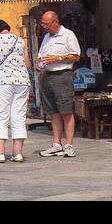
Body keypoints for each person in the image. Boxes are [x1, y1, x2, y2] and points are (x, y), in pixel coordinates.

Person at [0, 19, 33, 163]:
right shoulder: (20, 40)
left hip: (4, 81)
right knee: (19, 116)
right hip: (22, 81)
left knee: (0, 116)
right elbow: (27, 64)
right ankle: (17, 153)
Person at [35, 10, 81, 157]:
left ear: (55, 22)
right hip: (47, 75)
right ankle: (56, 144)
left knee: (66, 110)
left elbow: (76, 56)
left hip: (62, 75)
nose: (44, 27)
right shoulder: (46, 37)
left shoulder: (68, 35)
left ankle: (69, 145)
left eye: (47, 24)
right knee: (53, 111)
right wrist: (38, 63)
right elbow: (41, 56)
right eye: (43, 24)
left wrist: (58, 58)